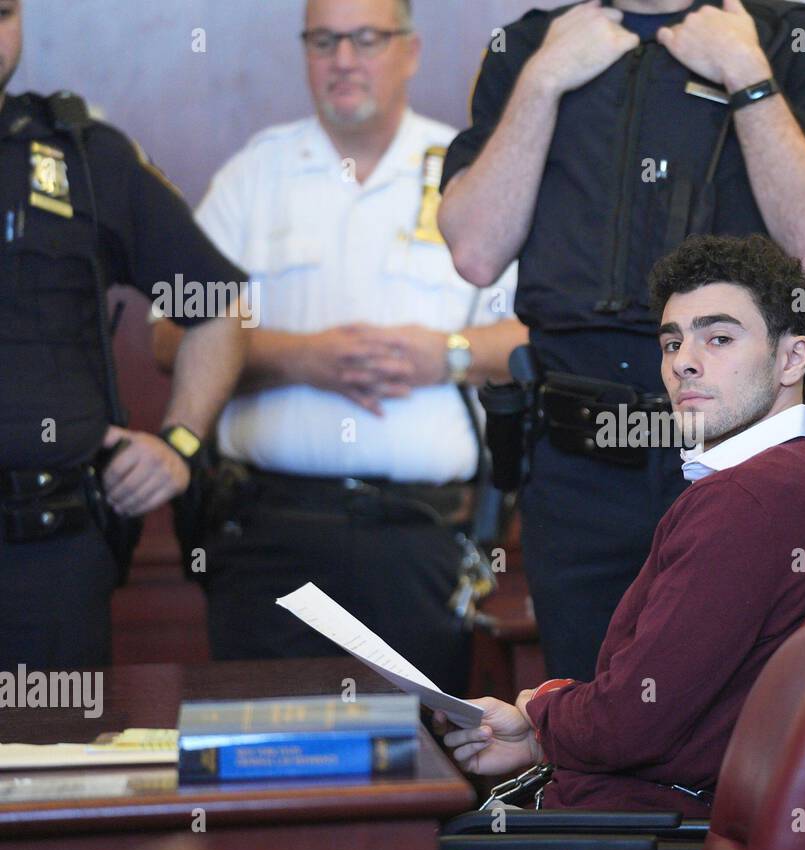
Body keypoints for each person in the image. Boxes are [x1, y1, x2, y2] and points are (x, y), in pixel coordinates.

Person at [438, 0, 805, 683]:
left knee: (758, 721)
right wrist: (541, 81)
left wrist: (745, 72)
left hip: (740, 456)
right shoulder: (532, 43)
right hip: (579, 469)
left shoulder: (792, 37)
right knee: (589, 723)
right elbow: (474, 249)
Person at [151, 0, 525, 695]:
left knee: (424, 765)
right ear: (305, 52)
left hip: (421, 540)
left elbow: (537, 338)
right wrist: (297, 357)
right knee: (263, 765)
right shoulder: (255, 175)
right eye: (325, 41)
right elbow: (170, 336)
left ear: (409, 51)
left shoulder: (468, 175)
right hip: (267, 533)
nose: (344, 60)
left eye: (365, 39)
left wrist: (443, 353)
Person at [437, 234, 805, 814]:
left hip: (641, 833)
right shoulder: (787, 482)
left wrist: (541, 712)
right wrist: (538, 734)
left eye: (718, 338)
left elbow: (632, 719)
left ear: (792, 358)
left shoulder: (747, 500)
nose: (683, 360)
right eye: (671, 341)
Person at [0, 0, 247, 669]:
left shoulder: (81, 156)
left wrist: (181, 443)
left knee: (55, 767)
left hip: (48, 557)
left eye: (2, 12)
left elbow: (219, 306)